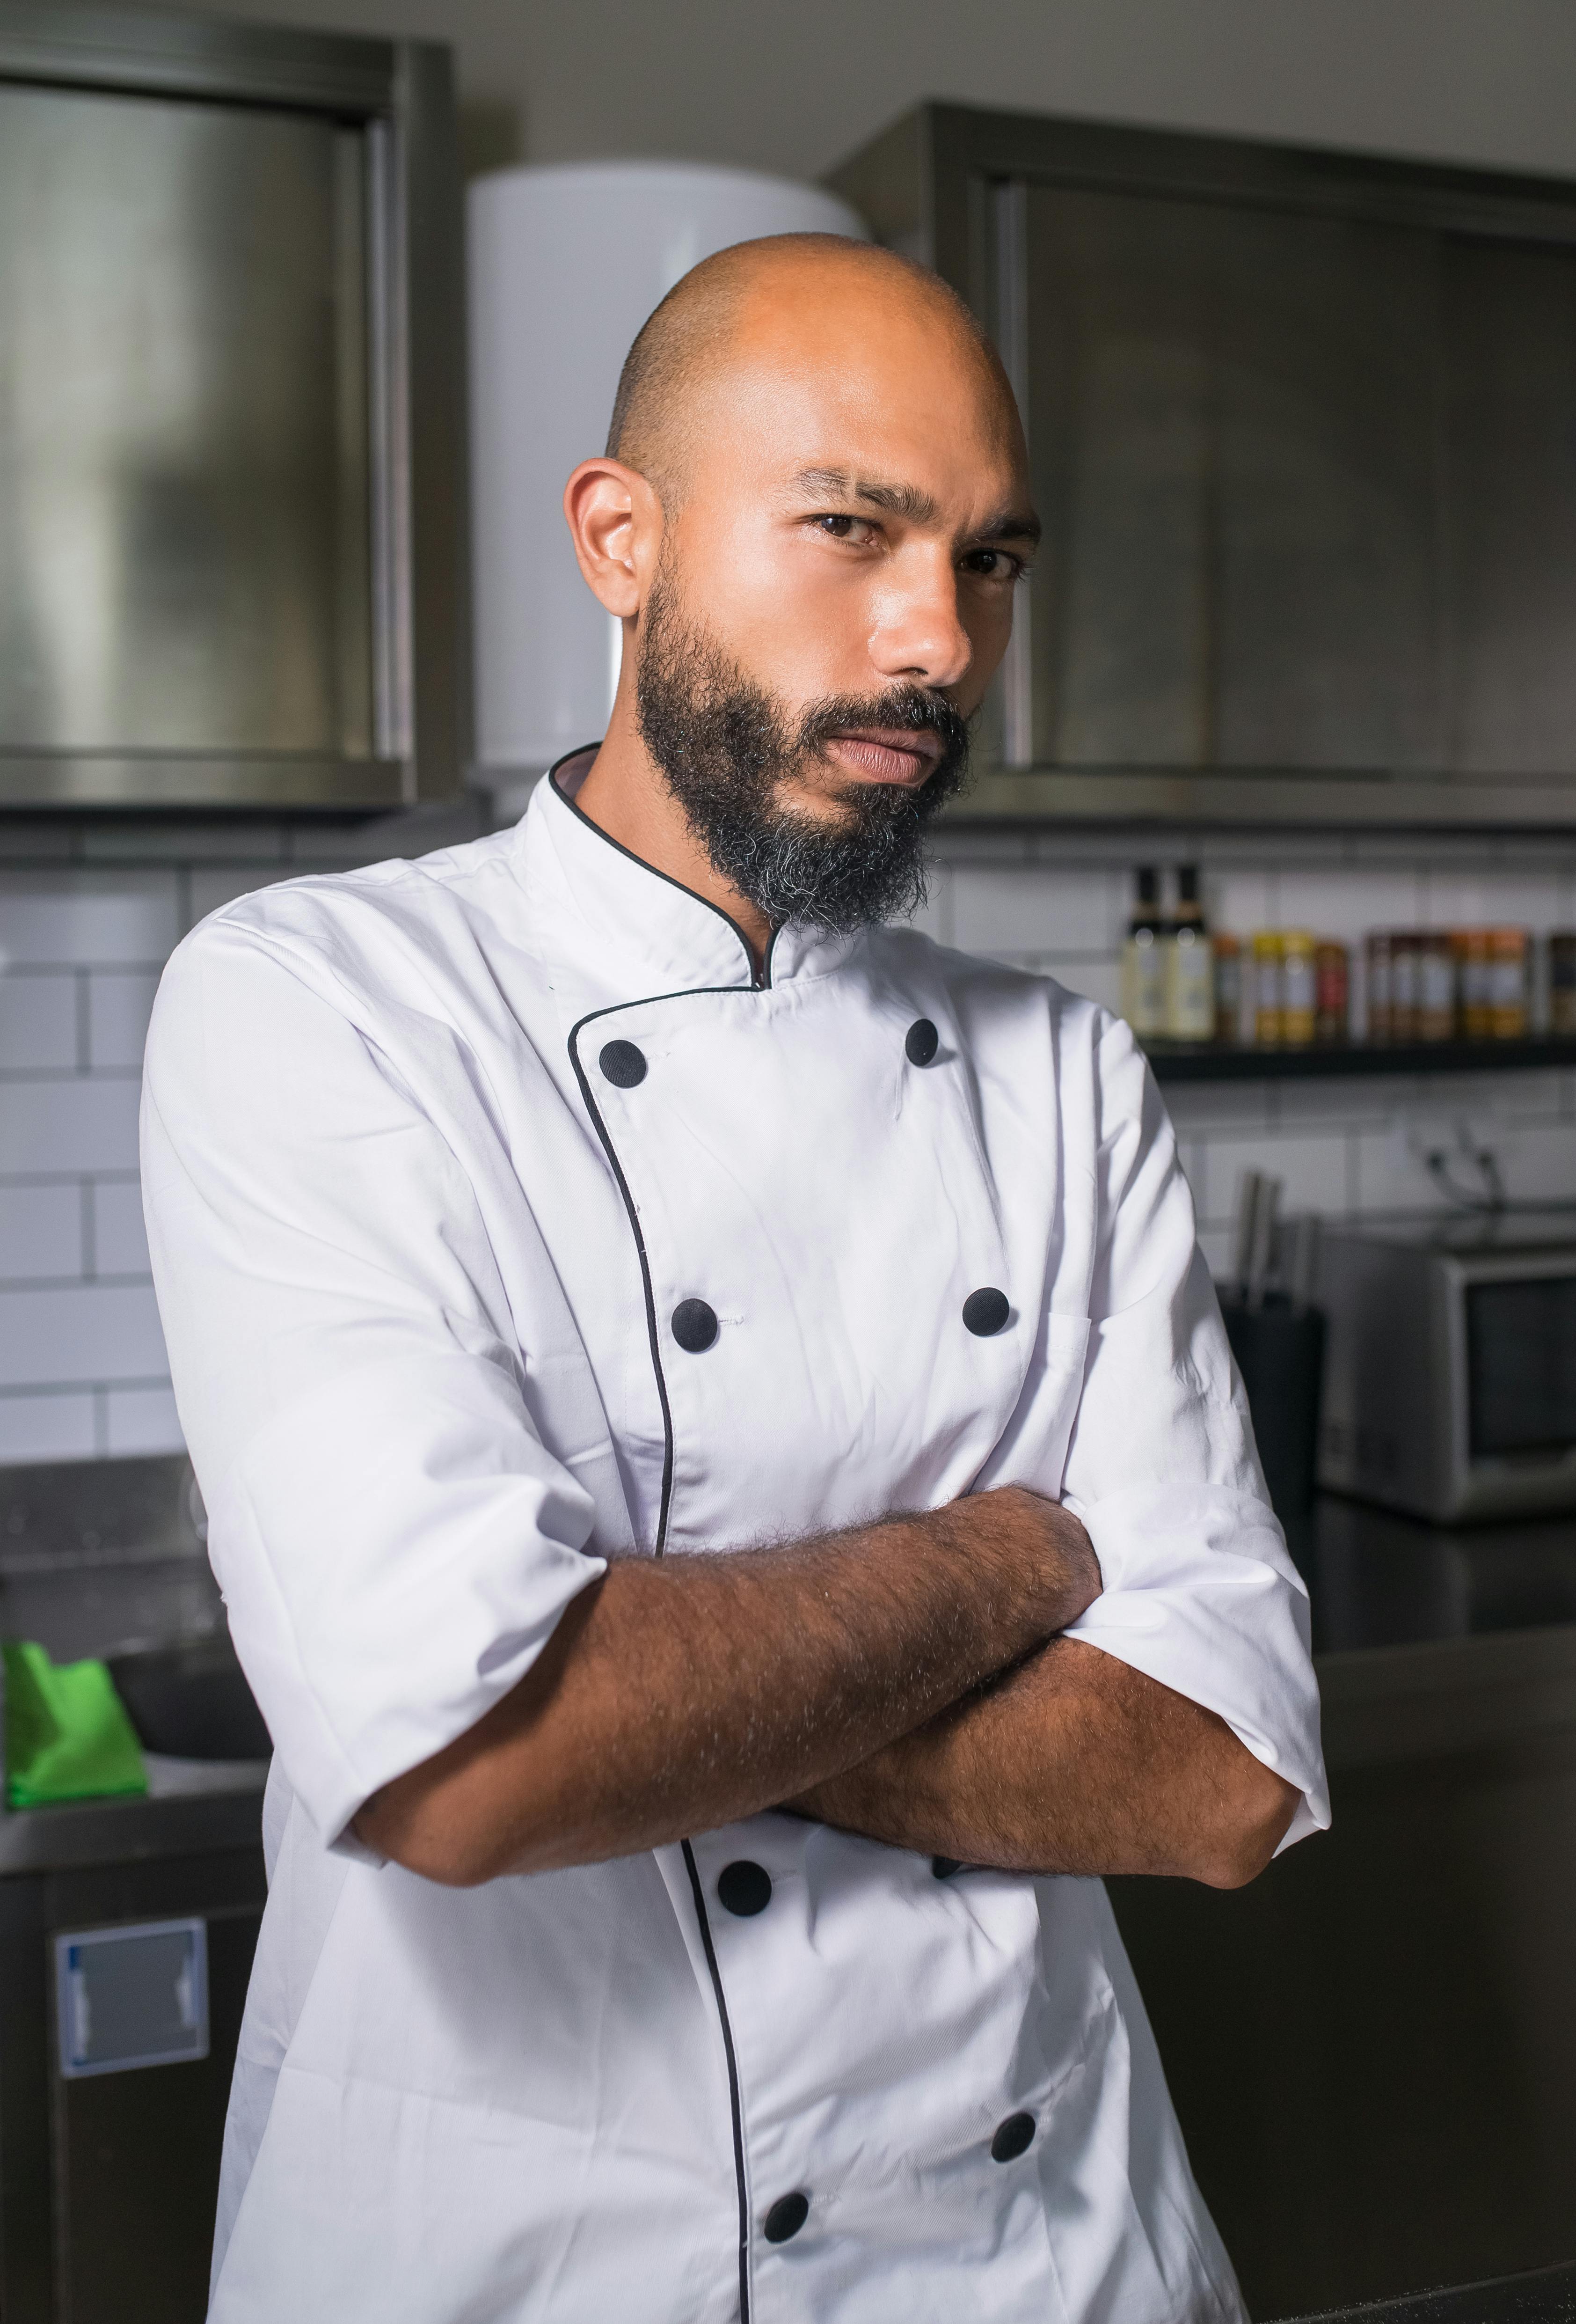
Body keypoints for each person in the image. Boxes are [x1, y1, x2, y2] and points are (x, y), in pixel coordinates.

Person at [142, 233, 1327, 2323]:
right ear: (623, 538)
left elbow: (1211, 1778)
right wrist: (1003, 1561)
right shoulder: (319, 1001)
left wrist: (620, 1690)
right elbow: (471, 1767)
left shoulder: (1062, 1072)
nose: (934, 635)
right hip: (519, 2269)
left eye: (987, 561)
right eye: (851, 529)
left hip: (1048, 2258)